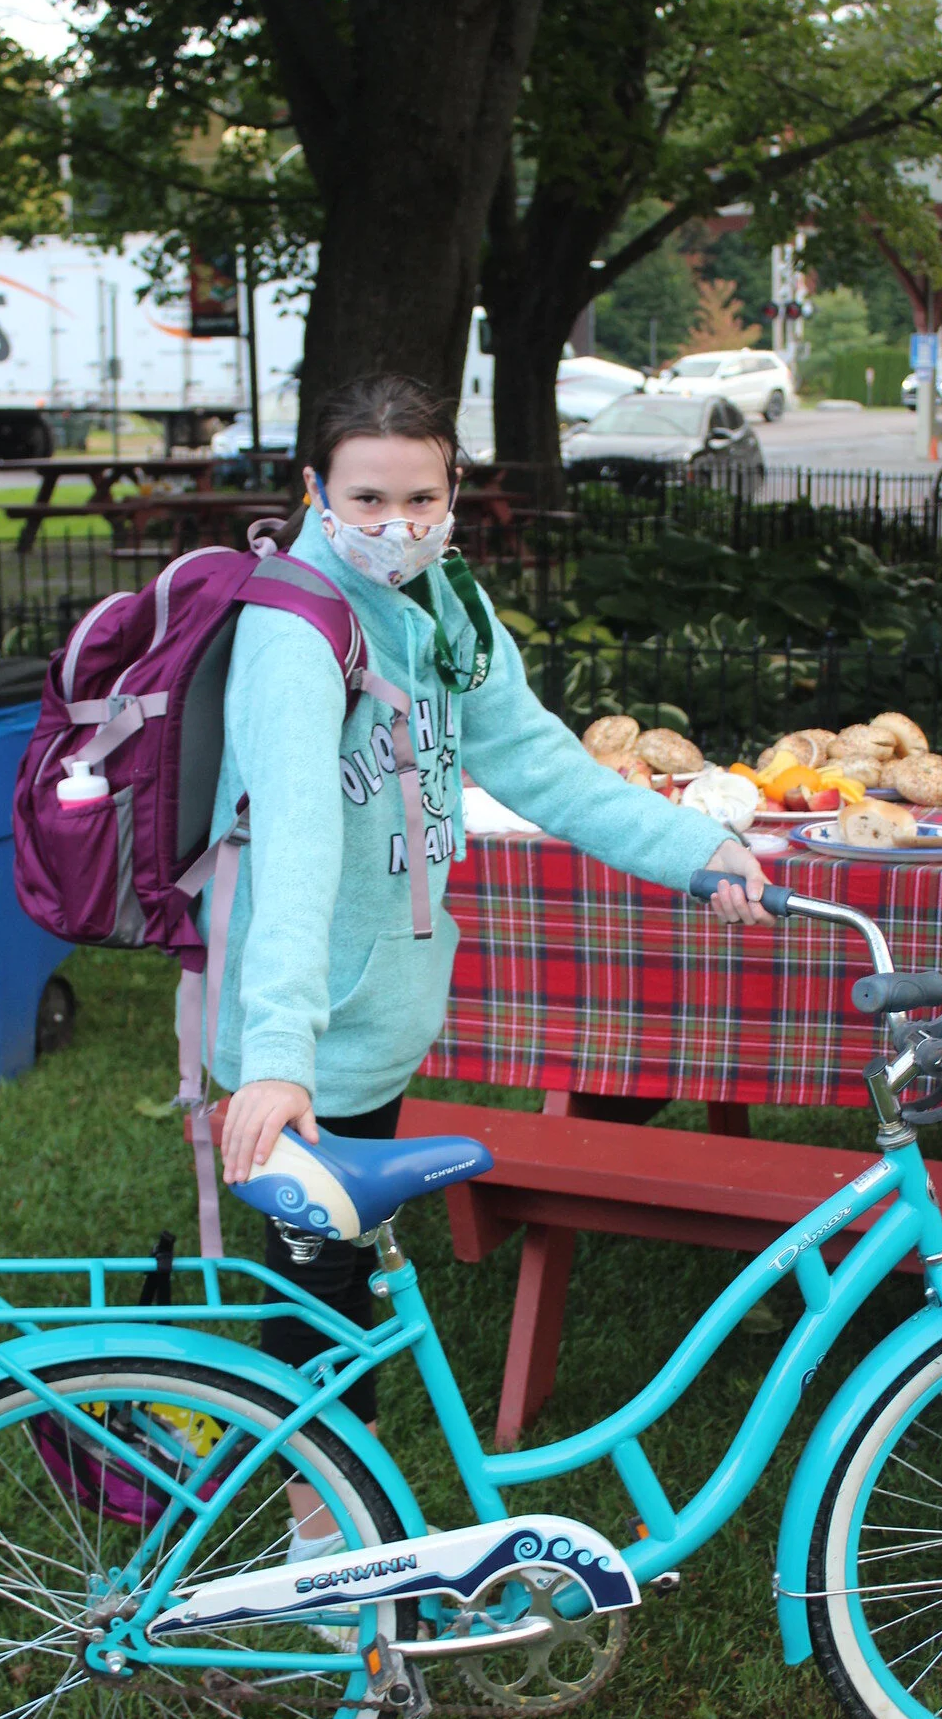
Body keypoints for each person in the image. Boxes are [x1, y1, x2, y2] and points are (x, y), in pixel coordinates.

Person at [203, 372, 771, 1567]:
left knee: (340, 1305)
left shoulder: (448, 603)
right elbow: (297, 850)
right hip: (307, 1038)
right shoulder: (294, 630)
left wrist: (691, 848)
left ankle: (333, 1539)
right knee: (319, 1316)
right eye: (367, 497)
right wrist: (275, 1061)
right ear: (316, 489)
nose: (396, 524)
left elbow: (541, 762)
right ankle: (321, 1570)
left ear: (454, 491)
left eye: (422, 496)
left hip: (380, 1014)